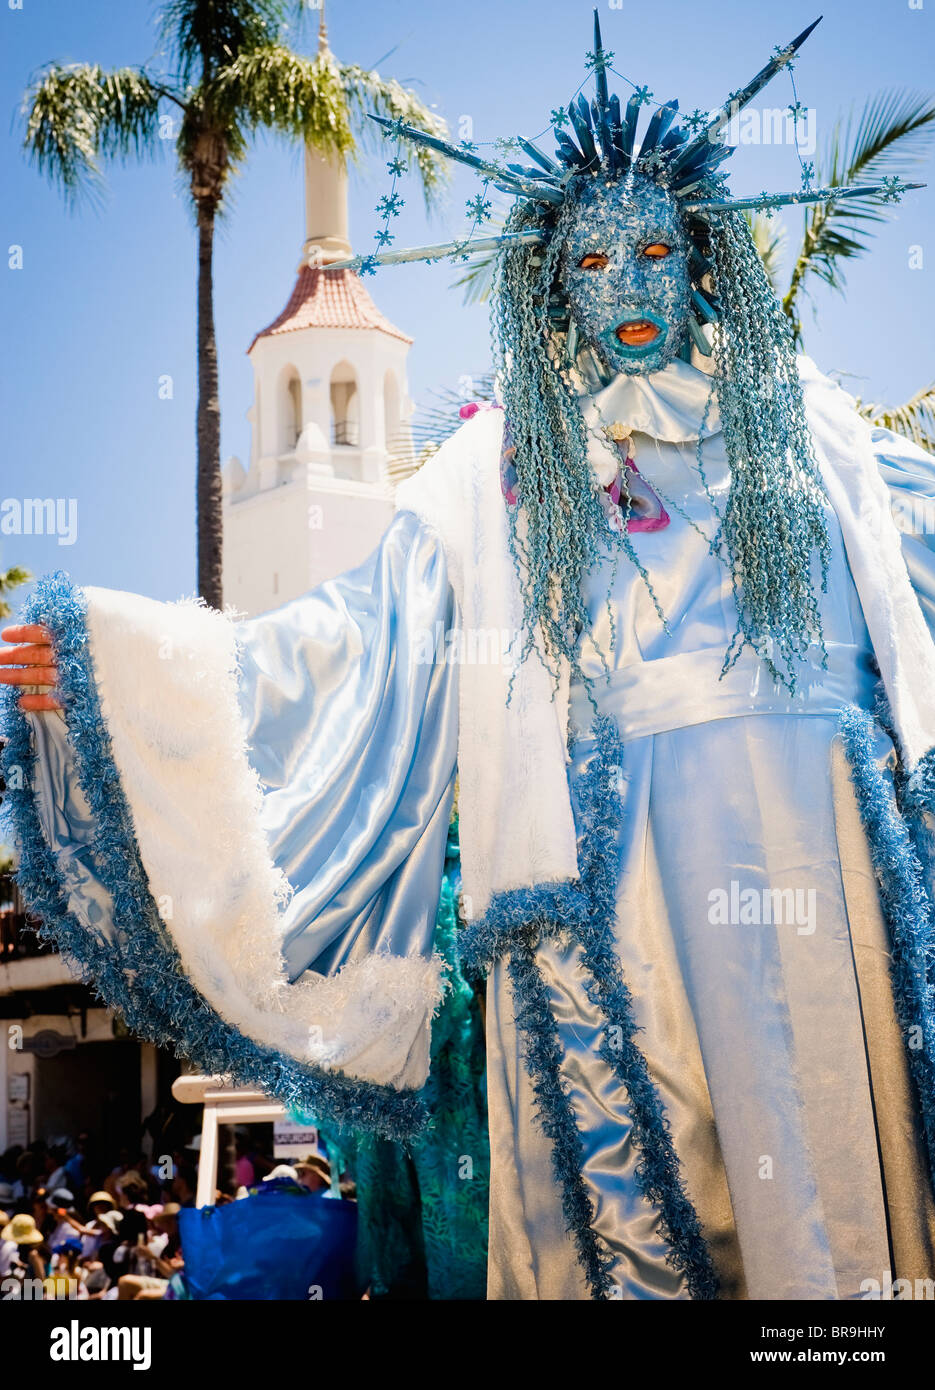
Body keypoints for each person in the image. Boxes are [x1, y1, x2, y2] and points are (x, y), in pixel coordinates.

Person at [2, 12, 935, 1302]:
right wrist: (102, 662)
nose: (628, 286)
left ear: (703, 259)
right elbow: (329, 653)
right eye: (593, 259)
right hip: (619, 890)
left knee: (830, 1196)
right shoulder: (488, 477)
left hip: (815, 865)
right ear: (556, 281)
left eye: (656, 251)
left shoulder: (815, 432)